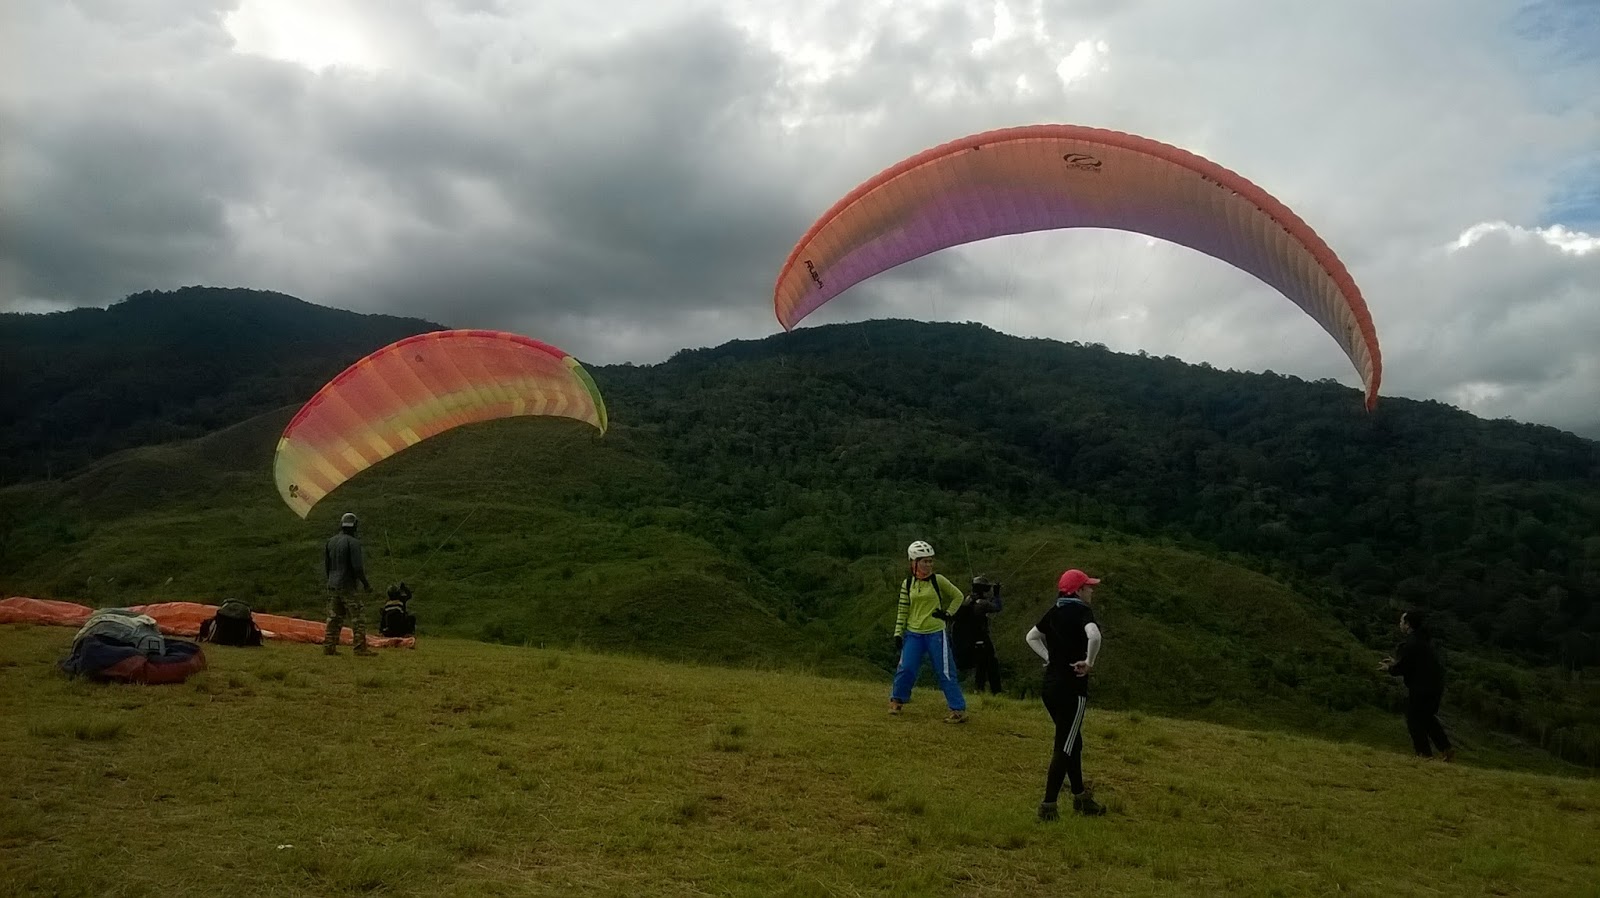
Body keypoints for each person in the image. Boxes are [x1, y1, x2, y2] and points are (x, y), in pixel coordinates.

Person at [1026, 568, 1106, 819]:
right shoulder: (1082, 611)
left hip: (1049, 687)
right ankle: (1048, 806)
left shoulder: (1055, 610)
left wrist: (1050, 657)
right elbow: (1094, 635)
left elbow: (1032, 637)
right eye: (1088, 587)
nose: (1091, 590)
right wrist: (1089, 662)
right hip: (1072, 689)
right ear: (1078, 590)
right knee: (1065, 745)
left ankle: (1081, 796)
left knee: (1073, 741)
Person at [889, 540, 969, 723]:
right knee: (906, 667)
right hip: (913, 633)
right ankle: (897, 700)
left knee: (945, 671)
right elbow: (903, 609)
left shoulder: (937, 580)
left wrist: (948, 614)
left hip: (935, 632)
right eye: (924, 561)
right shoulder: (907, 583)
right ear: (914, 562)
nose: (928, 565)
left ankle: (957, 709)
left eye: (930, 561)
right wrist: (898, 633)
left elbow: (958, 596)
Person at [1380, 610, 1454, 761]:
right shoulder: (1423, 640)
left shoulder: (1411, 644)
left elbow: (1403, 668)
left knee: (1414, 719)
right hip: (1435, 686)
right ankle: (1446, 749)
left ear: (1408, 625)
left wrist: (1390, 668)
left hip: (1421, 687)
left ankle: (1424, 754)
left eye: (1402, 621)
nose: (1400, 624)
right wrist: (1397, 663)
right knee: (1427, 717)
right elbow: (1414, 663)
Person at [323, 512, 374, 656]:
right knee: (358, 618)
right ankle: (360, 648)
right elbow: (357, 567)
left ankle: (329, 647)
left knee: (334, 618)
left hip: (333, 585)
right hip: (347, 585)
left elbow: (327, 566)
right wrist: (366, 584)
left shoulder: (331, 541)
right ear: (354, 526)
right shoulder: (353, 543)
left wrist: (330, 581)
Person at [952, 575, 1004, 694]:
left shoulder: (968, 599)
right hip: (982, 638)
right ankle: (996, 691)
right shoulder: (982, 603)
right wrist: (996, 594)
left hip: (971, 639)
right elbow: (998, 607)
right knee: (991, 664)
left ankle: (978, 689)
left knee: (981, 664)